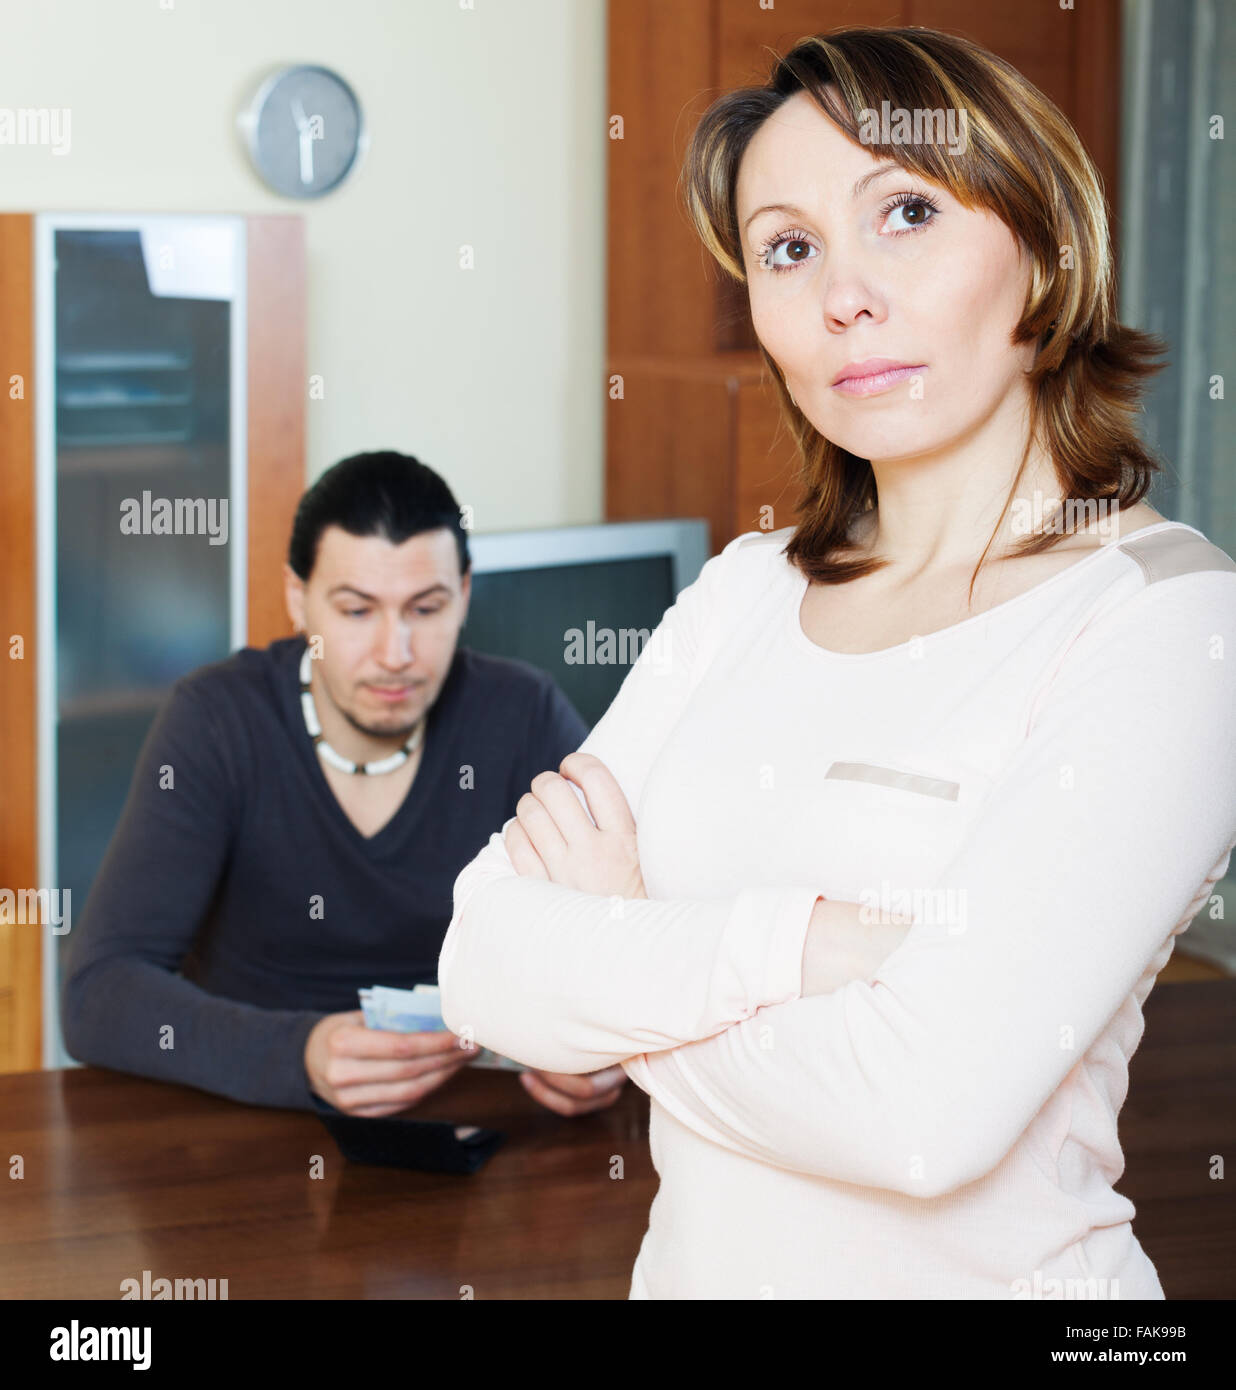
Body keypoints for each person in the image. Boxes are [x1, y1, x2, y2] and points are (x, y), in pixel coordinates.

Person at [438, 27, 1236, 1298]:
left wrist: (622, 948)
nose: (842, 293)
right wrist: (814, 947)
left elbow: (921, 1117)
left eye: (908, 212)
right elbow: (482, 962)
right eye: (788, 247)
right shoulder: (748, 590)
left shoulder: (1165, 620)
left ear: (1047, 250)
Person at [61, 450, 626, 1120]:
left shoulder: (521, 712)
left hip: (483, 1131)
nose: (396, 652)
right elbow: (98, 994)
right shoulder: (217, 722)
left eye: (426, 608)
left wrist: (604, 1048)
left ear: (465, 595)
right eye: (357, 611)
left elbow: (629, 934)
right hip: (255, 1134)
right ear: (299, 599)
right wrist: (298, 1053)